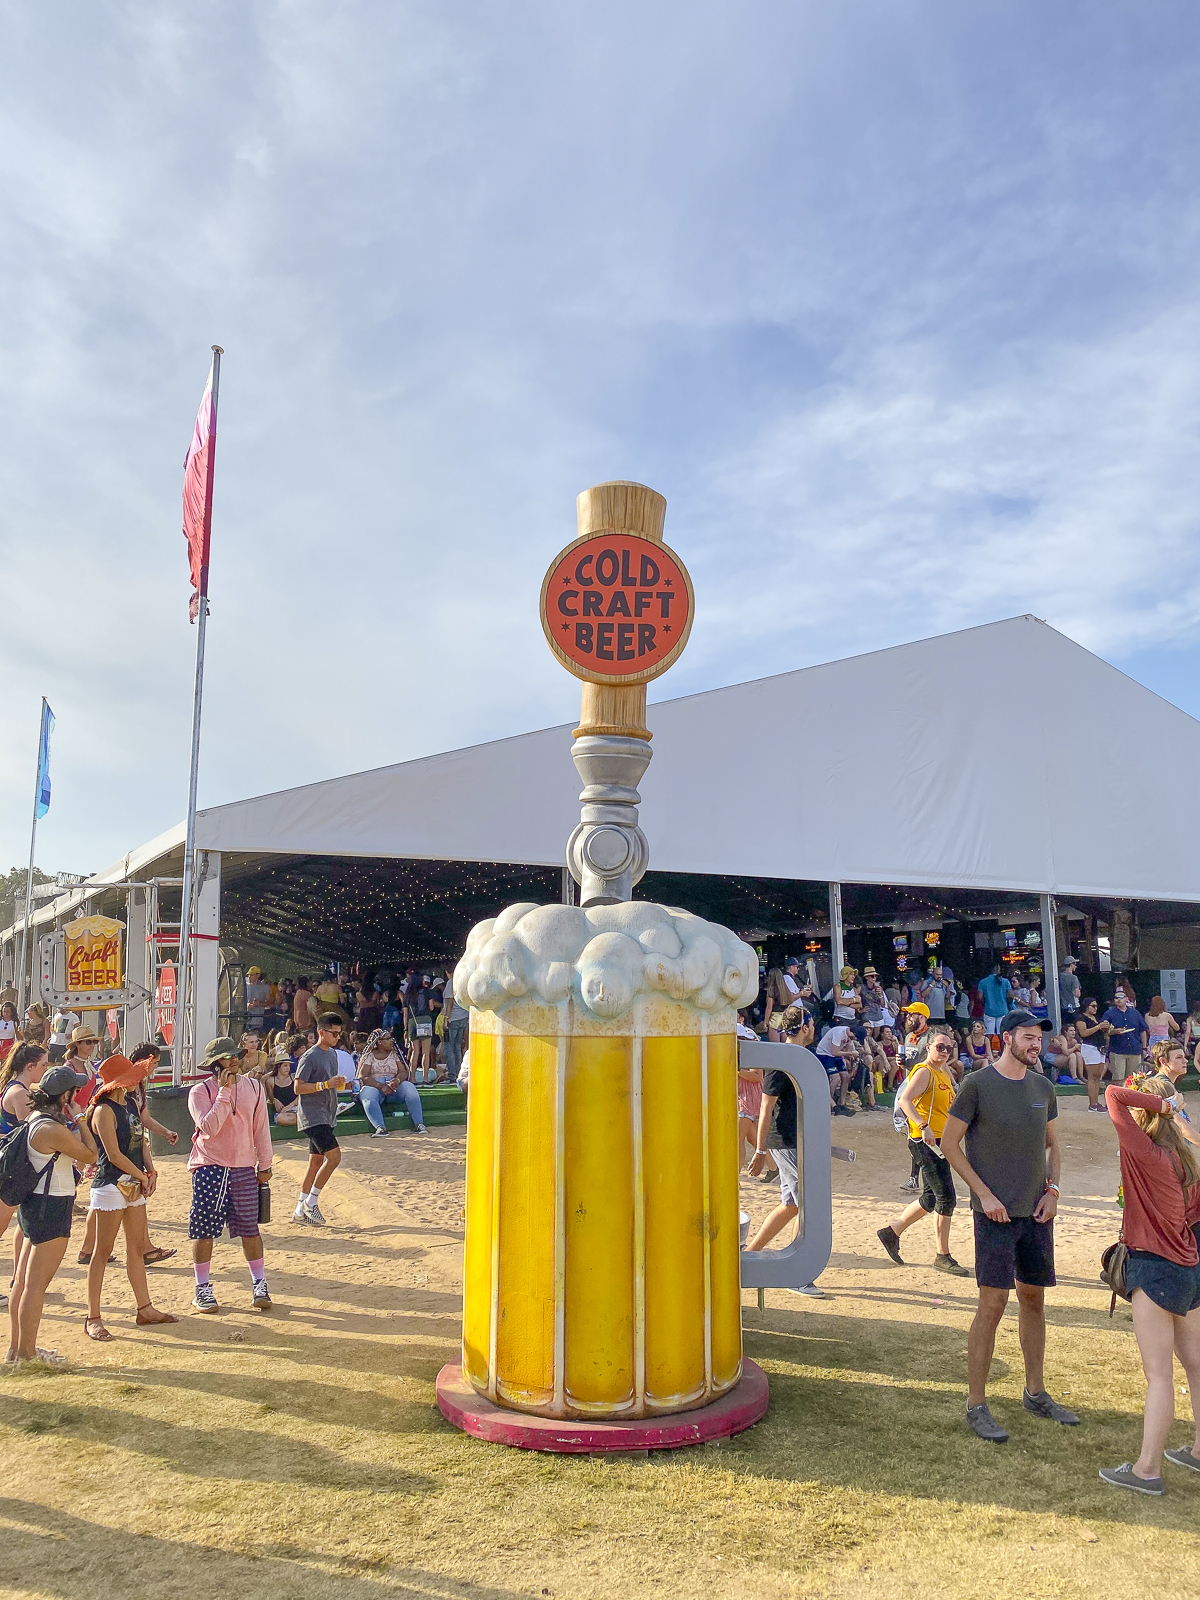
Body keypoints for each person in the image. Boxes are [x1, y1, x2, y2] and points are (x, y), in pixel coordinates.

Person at [941, 1009, 1076, 1443]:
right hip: (994, 1215)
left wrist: (1053, 1191)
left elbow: (1052, 1146)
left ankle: (1035, 1392)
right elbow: (948, 1144)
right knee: (993, 1305)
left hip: (1036, 1213)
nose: (1037, 1044)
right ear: (1007, 1039)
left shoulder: (1043, 1087)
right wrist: (983, 1194)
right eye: (1028, 1037)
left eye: (1039, 1038)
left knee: (1033, 1300)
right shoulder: (977, 1084)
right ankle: (975, 1404)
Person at [1098, 1074, 1200, 1493]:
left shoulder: (1146, 1153)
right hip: (1190, 1267)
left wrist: (1163, 1104)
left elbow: (1112, 1094)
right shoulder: (1188, 1158)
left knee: (1158, 1375)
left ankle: (1147, 1469)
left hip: (1156, 1269)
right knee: (1195, 1365)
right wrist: (1171, 1106)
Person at [7, 1064, 97, 1366]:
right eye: (74, 1091)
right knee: (35, 1286)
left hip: (34, 1204)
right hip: (52, 1206)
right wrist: (81, 1115)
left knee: (22, 1281)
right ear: (66, 1096)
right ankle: (28, 1355)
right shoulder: (53, 1129)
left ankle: (17, 1350)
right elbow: (90, 1154)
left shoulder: (35, 1119)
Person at [83, 1055, 176, 1340]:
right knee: (102, 1251)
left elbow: (140, 1142)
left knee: (136, 1249)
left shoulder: (131, 1104)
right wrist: (143, 1174)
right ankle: (93, 1316)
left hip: (132, 1182)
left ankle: (144, 1308)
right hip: (111, 1184)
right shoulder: (103, 1111)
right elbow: (112, 1155)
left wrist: (150, 1171)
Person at [187, 1036, 274, 1312]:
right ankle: (202, 1287)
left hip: (244, 1167)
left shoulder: (255, 1088)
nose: (234, 1059)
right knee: (204, 1230)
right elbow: (209, 1127)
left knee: (250, 1228)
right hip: (209, 1166)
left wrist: (266, 1164)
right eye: (227, 1056)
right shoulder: (199, 1092)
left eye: (235, 1054)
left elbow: (261, 1129)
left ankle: (259, 1283)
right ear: (215, 1064)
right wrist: (224, 1093)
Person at [876, 1026, 970, 1275]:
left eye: (948, 1048)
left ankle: (891, 1232)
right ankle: (942, 1255)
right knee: (946, 1197)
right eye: (940, 1047)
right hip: (925, 1142)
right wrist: (923, 1126)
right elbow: (905, 1100)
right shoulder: (925, 1072)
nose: (945, 1052)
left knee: (931, 1197)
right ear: (927, 1048)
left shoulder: (944, 1073)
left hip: (940, 1142)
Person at [745, 1025, 824, 1297]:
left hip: (795, 1141)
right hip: (786, 1142)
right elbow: (765, 1109)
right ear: (804, 1027)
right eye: (812, 1025)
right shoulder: (781, 1065)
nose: (814, 1029)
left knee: (791, 1205)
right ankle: (798, 1275)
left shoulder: (797, 1059)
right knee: (806, 1205)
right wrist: (760, 1149)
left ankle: (748, 1256)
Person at [293, 1015, 348, 1225]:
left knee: (316, 1161)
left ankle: (300, 1208)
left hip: (326, 1113)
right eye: (334, 1033)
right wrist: (325, 1085)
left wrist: (338, 1085)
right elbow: (298, 1087)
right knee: (334, 1158)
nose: (337, 1037)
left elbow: (329, 1083)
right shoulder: (310, 1056)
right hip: (313, 1115)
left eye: (339, 1034)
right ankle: (311, 1202)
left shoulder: (333, 1054)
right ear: (321, 1033)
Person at [358, 1028, 427, 1137]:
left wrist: (397, 1080)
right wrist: (380, 1086)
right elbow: (363, 1076)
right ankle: (380, 1128)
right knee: (368, 1097)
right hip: (375, 1085)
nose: (392, 1041)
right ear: (379, 1042)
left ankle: (419, 1124)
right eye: (388, 1039)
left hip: (394, 1085)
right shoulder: (370, 1056)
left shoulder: (395, 1054)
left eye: (391, 1038)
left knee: (410, 1090)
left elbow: (403, 1071)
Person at [813, 1021, 857, 1116]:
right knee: (835, 1077)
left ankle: (842, 1103)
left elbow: (847, 1051)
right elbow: (834, 1052)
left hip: (835, 1054)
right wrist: (850, 1053)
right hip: (824, 1054)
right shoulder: (839, 1033)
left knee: (845, 1076)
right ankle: (830, 1105)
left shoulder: (850, 1036)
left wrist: (851, 1056)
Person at [1101, 990, 1148, 1080]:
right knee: (1118, 1077)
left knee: (1134, 1078)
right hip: (1117, 1050)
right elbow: (1103, 1030)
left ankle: (1130, 1094)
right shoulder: (1109, 1013)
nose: (1118, 999)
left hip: (1134, 1049)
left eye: (1121, 997)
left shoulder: (1135, 1013)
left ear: (1126, 999)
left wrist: (1144, 1048)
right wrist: (1113, 1032)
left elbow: (1143, 1030)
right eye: (1116, 998)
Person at [1075, 998, 1111, 1111]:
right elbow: (1083, 1033)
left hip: (1099, 1048)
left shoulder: (1096, 1018)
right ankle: (1092, 1104)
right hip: (1090, 1047)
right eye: (1093, 1006)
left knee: (1097, 1076)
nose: (1095, 1008)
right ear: (1087, 1006)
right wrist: (1098, 1027)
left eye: (1096, 1006)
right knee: (1092, 1076)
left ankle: (1096, 1102)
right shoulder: (1081, 1018)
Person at [978, 964, 1013, 1038]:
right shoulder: (1005, 981)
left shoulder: (983, 982)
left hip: (989, 1011)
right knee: (1003, 1034)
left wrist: (985, 1003)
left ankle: (989, 1049)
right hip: (1003, 1010)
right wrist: (1006, 1003)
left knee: (988, 1035)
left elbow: (980, 997)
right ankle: (1003, 1049)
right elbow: (1011, 996)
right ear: (998, 970)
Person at [244, 968, 270, 1034]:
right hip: (243, 1020)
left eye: (252, 975)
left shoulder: (265, 987)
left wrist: (260, 1003)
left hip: (257, 1020)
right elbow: (235, 999)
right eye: (248, 975)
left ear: (258, 975)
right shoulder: (243, 986)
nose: (249, 977)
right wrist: (245, 1005)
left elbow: (269, 1002)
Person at [1058, 958, 1081, 1024]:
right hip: (1073, 1006)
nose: (1076, 966)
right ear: (1071, 965)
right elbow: (1077, 994)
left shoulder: (1059, 976)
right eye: (1075, 964)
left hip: (1062, 1006)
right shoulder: (1073, 978)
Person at [0, 1001, 17, 1065]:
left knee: (5, 1062)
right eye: (4, 1011)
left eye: (8, 1011)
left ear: (11, 1012)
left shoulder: (14, 1022)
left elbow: (19, 1037)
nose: (5, 1013)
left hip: (8, 1043)